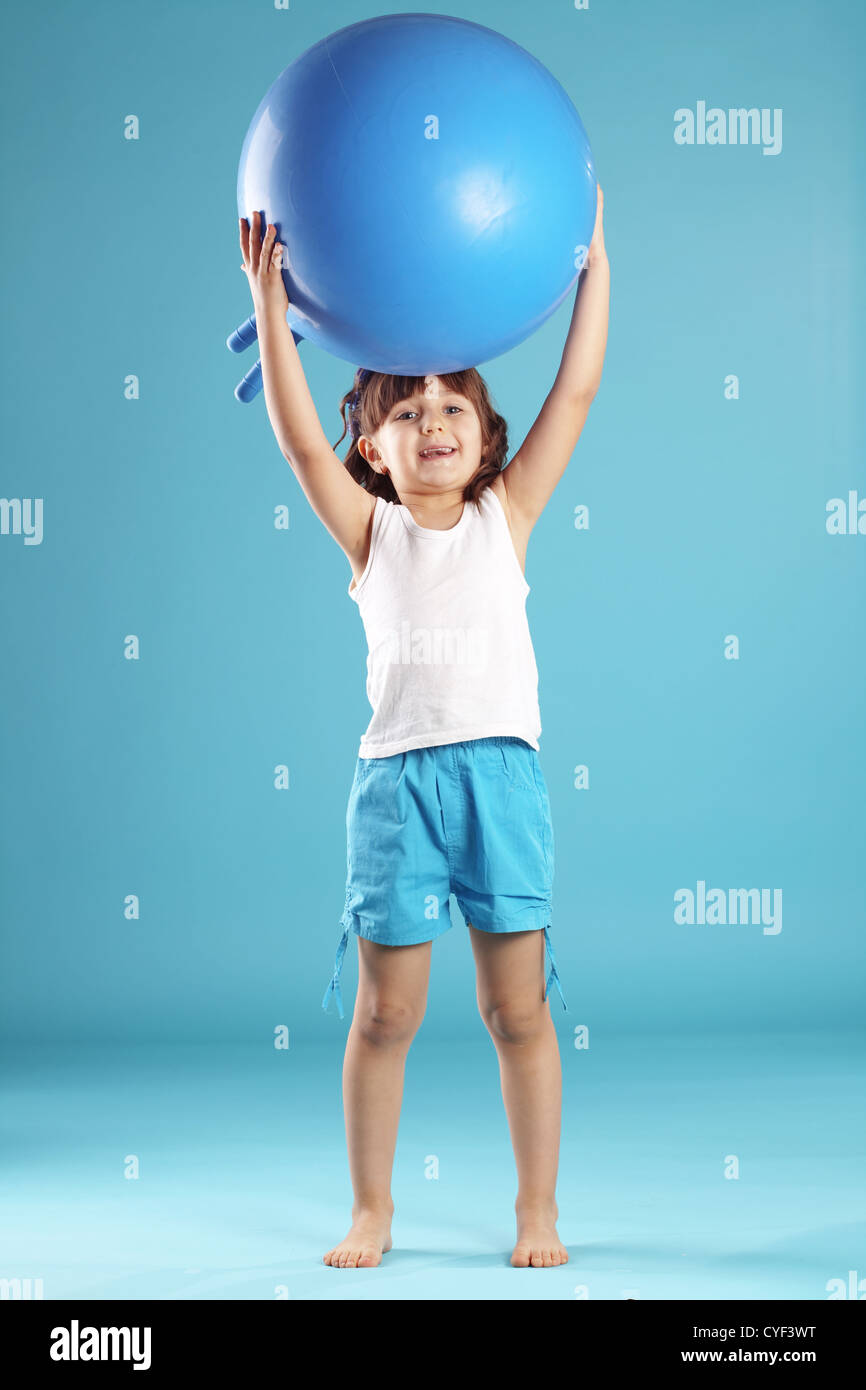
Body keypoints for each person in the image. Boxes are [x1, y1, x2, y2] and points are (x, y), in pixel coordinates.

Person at [239, 188, 609, 1269]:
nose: (433, 421)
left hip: (500, 779)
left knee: (518, 1012)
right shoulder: (369, 533)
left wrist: (592, 269)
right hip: (396, 791)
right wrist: (270, 305)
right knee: (384, 1017)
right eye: (405, 412)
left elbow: (577, 389)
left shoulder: (508, 515)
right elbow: (298, 444)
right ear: (371, 445)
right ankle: (373, 1210)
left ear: (487, 436)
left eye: (452, 406)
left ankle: (535, 1209)